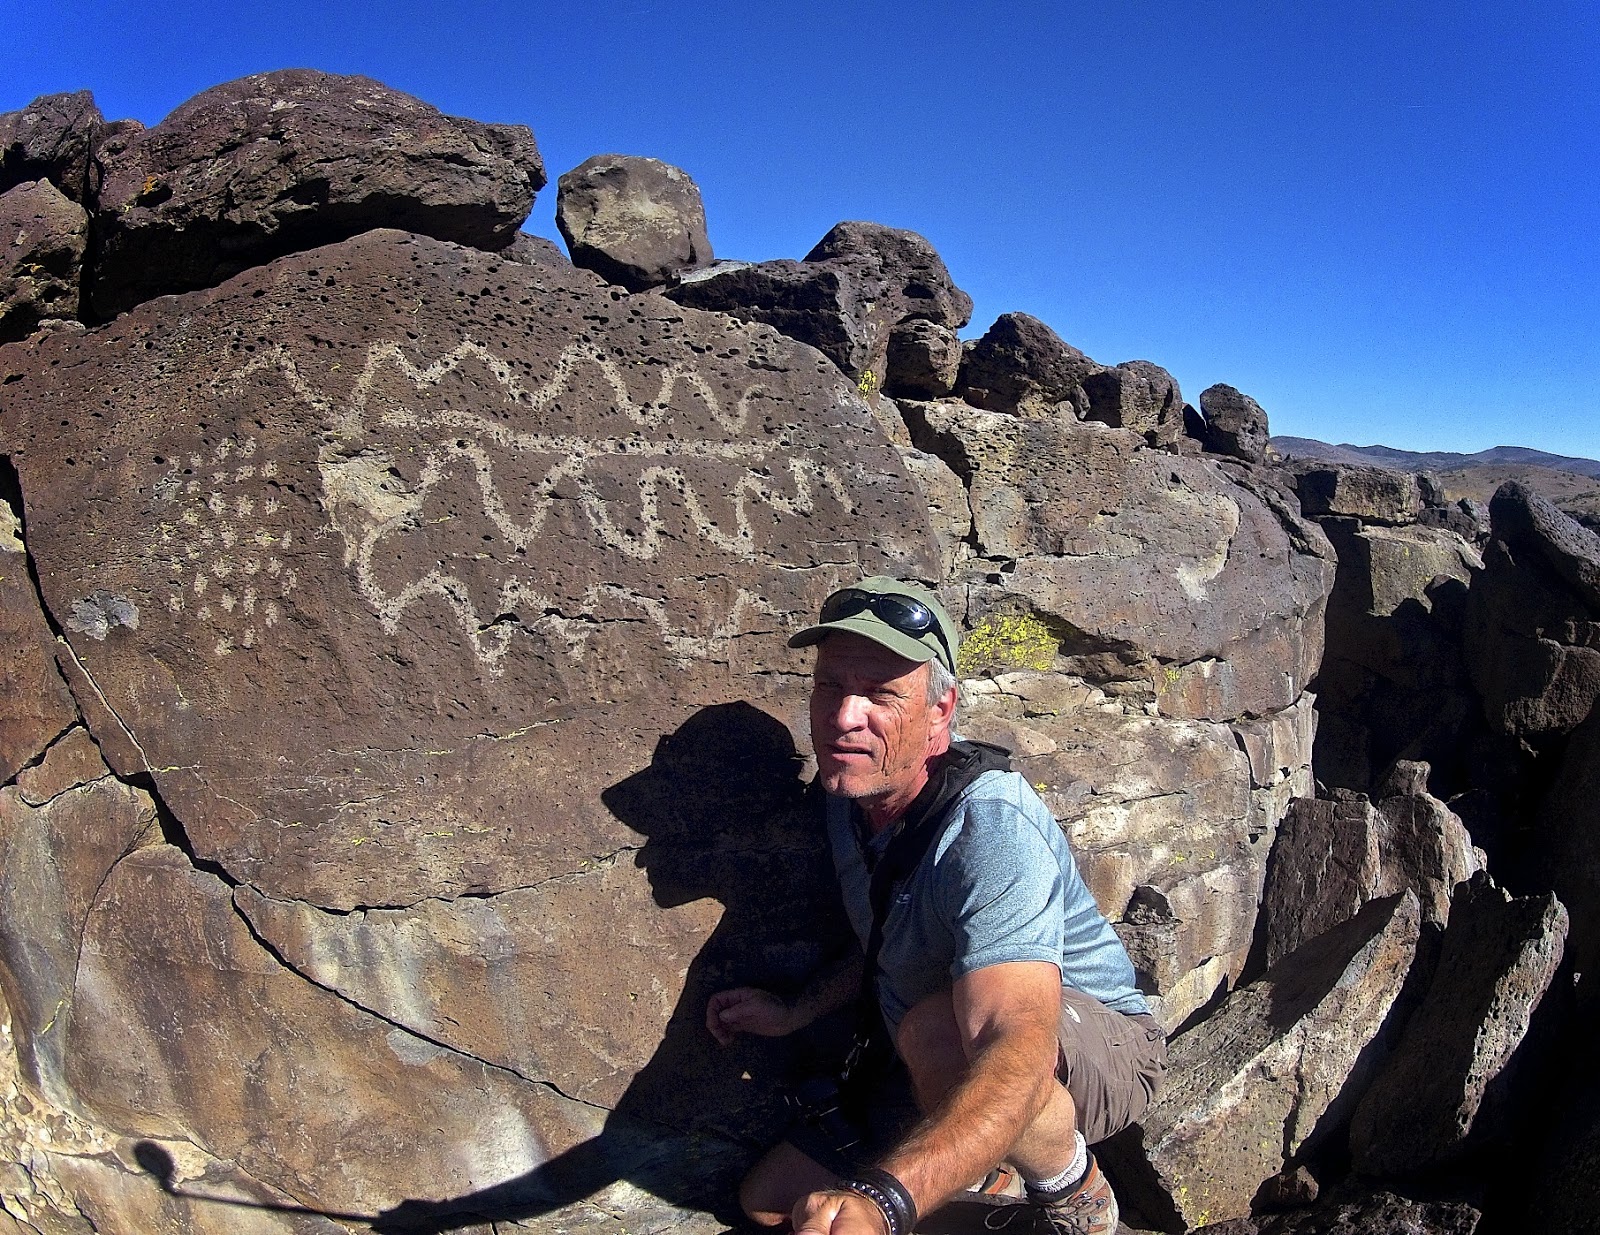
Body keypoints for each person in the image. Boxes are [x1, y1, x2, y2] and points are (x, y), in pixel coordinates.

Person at [706, 577, 1165, 1235]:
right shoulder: (852, 801)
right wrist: (795, 1011)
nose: (843, 718)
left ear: (941, 710)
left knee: (936, 1037)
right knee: (772, 1199)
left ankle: (1072, 1191)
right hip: (931, 1043)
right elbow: (885, 941)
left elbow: (1015, 1036)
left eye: (881, 695)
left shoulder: (989, 824)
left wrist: (887, 1201)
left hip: (1097, 1045)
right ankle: (970, 1172)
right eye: (830, 686)